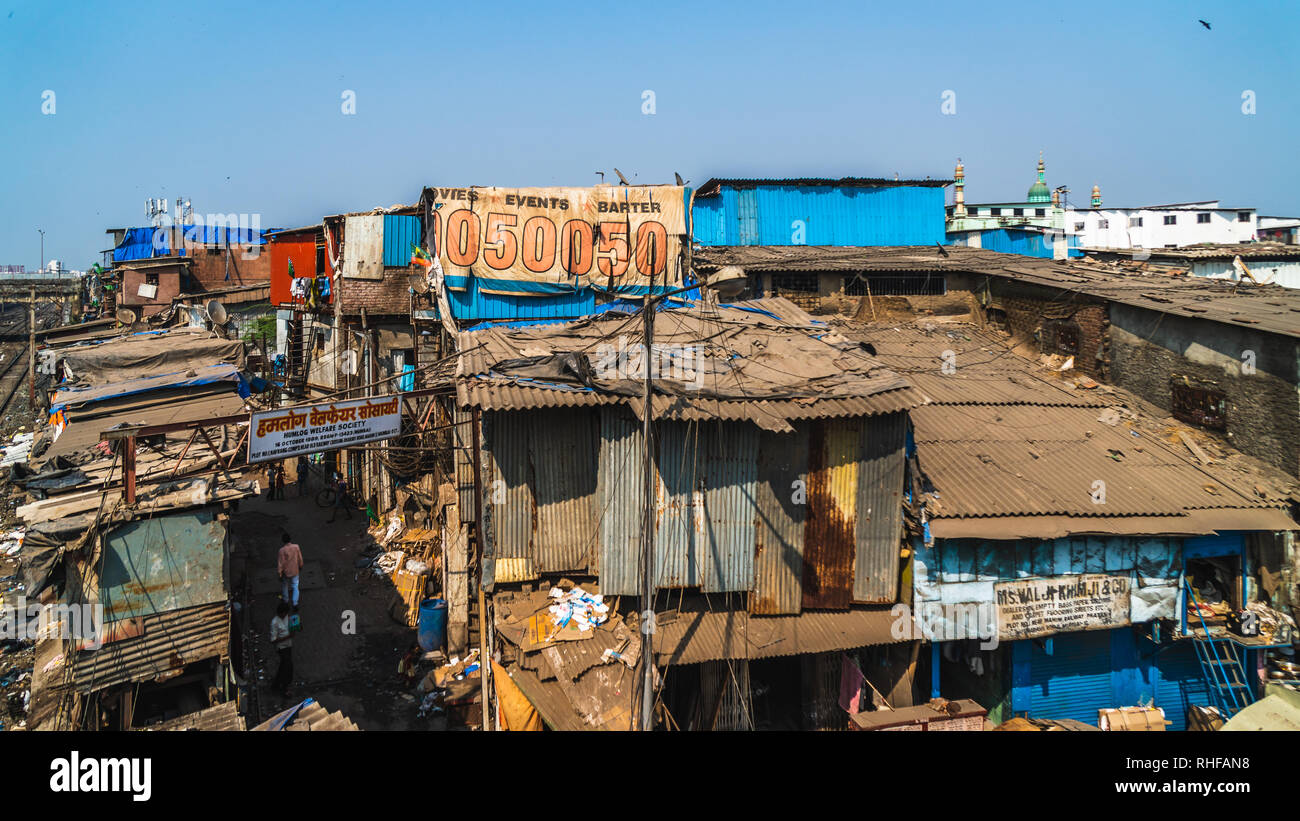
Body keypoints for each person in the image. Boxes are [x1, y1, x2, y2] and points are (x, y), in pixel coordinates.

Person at [270, 601, 294, 698]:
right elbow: (273, 640)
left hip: (288, 646)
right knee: (288, 667)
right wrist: (288, 636)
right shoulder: (275, 622)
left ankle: (276, 685)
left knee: (283, 667)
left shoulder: (288, 618)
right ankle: (285, 688)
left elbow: (294, 629)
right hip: (281, 648)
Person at [278, 533, 304, 609]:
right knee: (295, 586)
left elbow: (280, 563)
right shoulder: (296, 547)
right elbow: (300, 558)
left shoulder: (281, 551)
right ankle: (295, 603)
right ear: (290, 539)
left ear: (283, 541)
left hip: (286, 572)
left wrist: (279, 573)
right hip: (295, 571)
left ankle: (286, 601)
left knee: (285, 586)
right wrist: (301, 566)